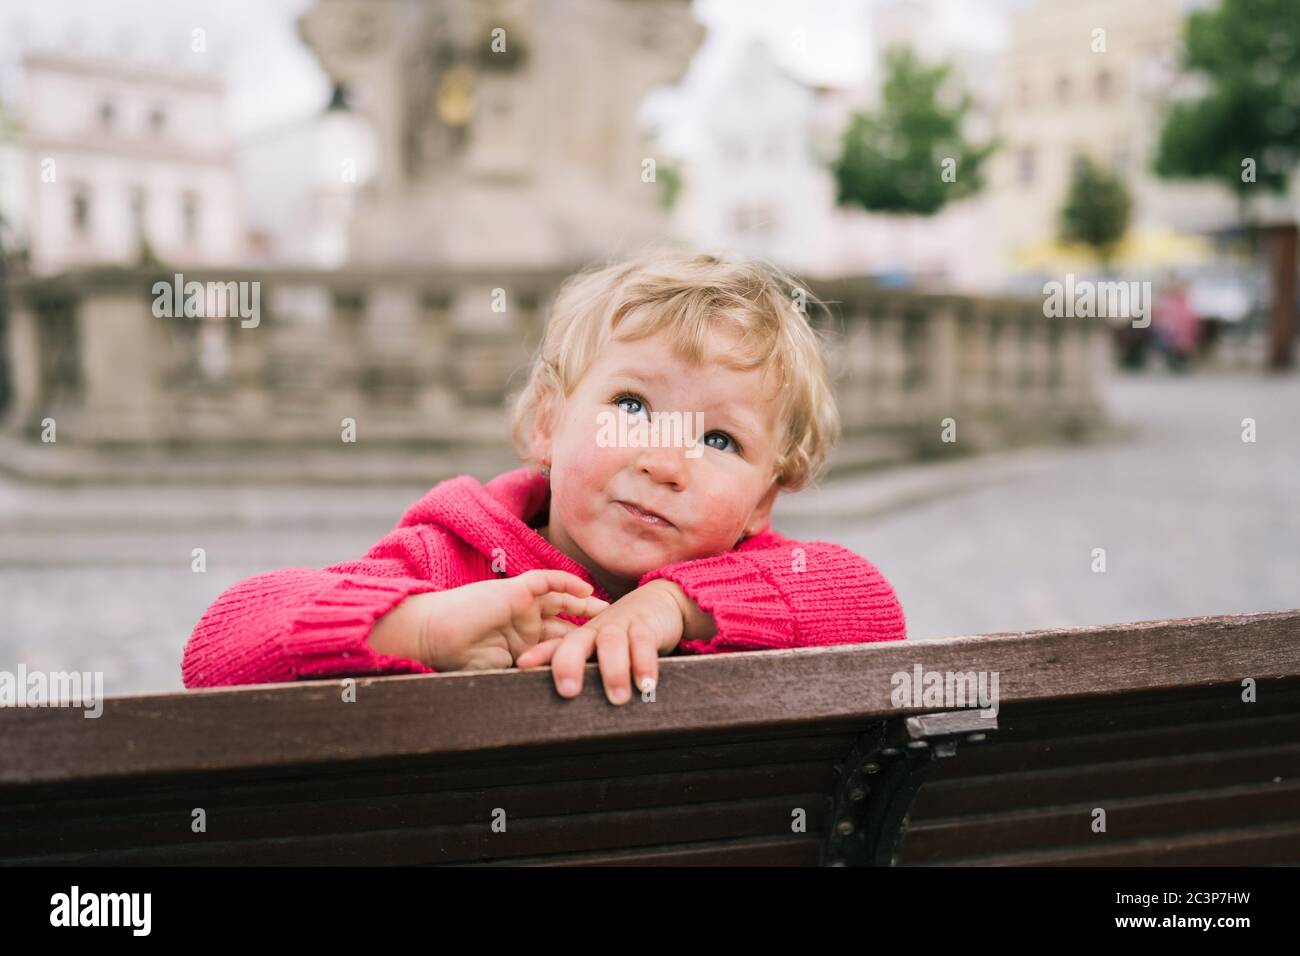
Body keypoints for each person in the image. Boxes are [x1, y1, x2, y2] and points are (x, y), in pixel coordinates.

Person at [182, 248, 907, 705]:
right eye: (632, 405)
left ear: (763, 502)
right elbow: (222, 643)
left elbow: (873, 608)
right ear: (546, 426)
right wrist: (426, 627)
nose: (665, 460)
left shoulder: (758, 577)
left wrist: (673, 609)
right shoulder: (449, 564)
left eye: (719, 438)